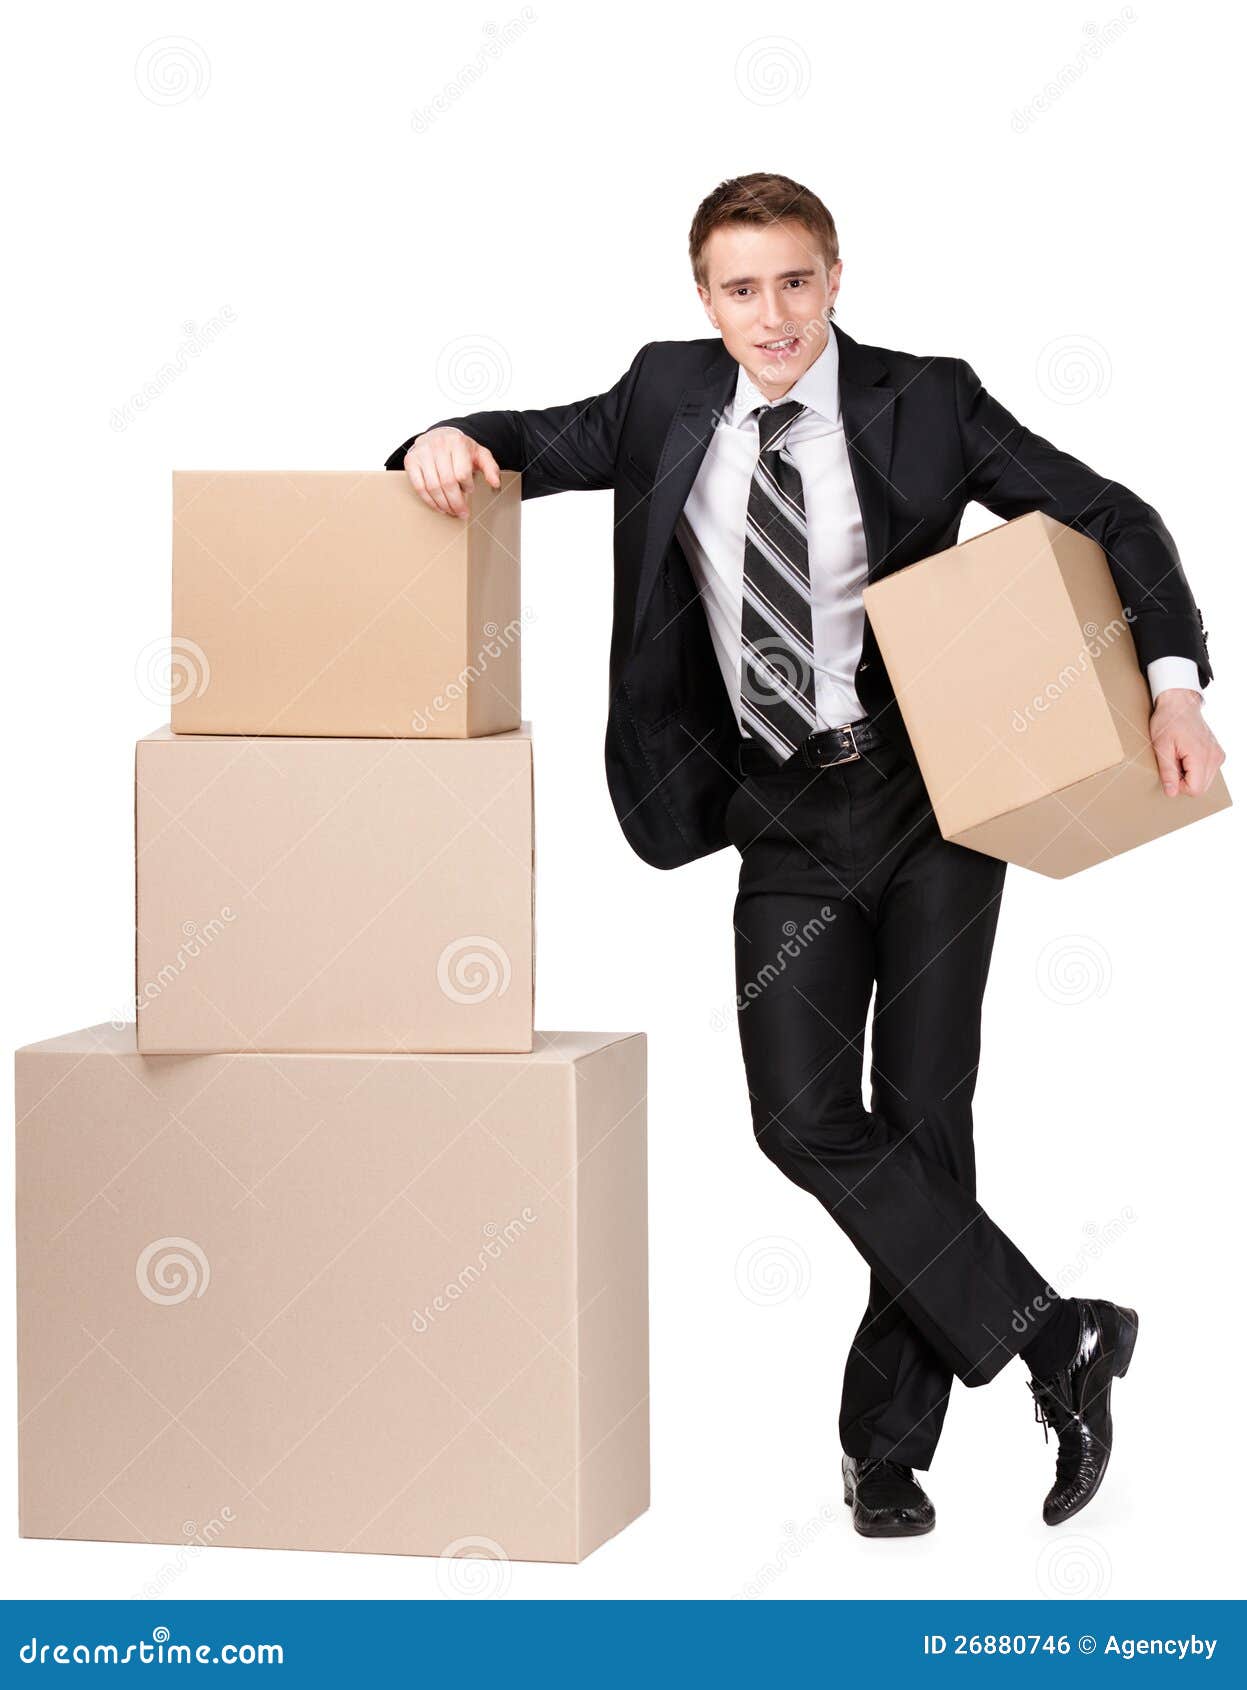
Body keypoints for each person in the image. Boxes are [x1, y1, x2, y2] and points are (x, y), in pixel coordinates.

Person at [385, 172, 1224, 1537]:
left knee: (926, 1116)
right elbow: (518, 439)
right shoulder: (665, 397)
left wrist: (1174, 683)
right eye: (739, 287)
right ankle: (1055, 1331)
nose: (770, 314)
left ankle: (885, 1449)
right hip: (776, 808)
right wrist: (438, 435)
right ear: (702, 298)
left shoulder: (927, 397)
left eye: (793, 282)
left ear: (834, 279)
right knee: (800, 1117)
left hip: (933, 795)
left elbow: (1110, 513)